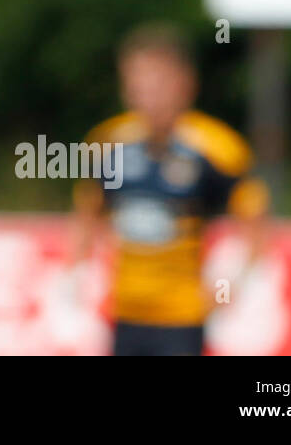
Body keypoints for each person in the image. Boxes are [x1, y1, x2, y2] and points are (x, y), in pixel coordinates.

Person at [70, 23, 269, 356]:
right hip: (123, 314)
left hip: (182, 318)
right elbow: (86, 217)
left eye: (156, 84)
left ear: (184, 85)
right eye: (136, 84)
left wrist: (230, 284)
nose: (145, 95)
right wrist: (74, 278)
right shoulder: (107, 144)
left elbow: (256, 228)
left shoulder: (217, 149)